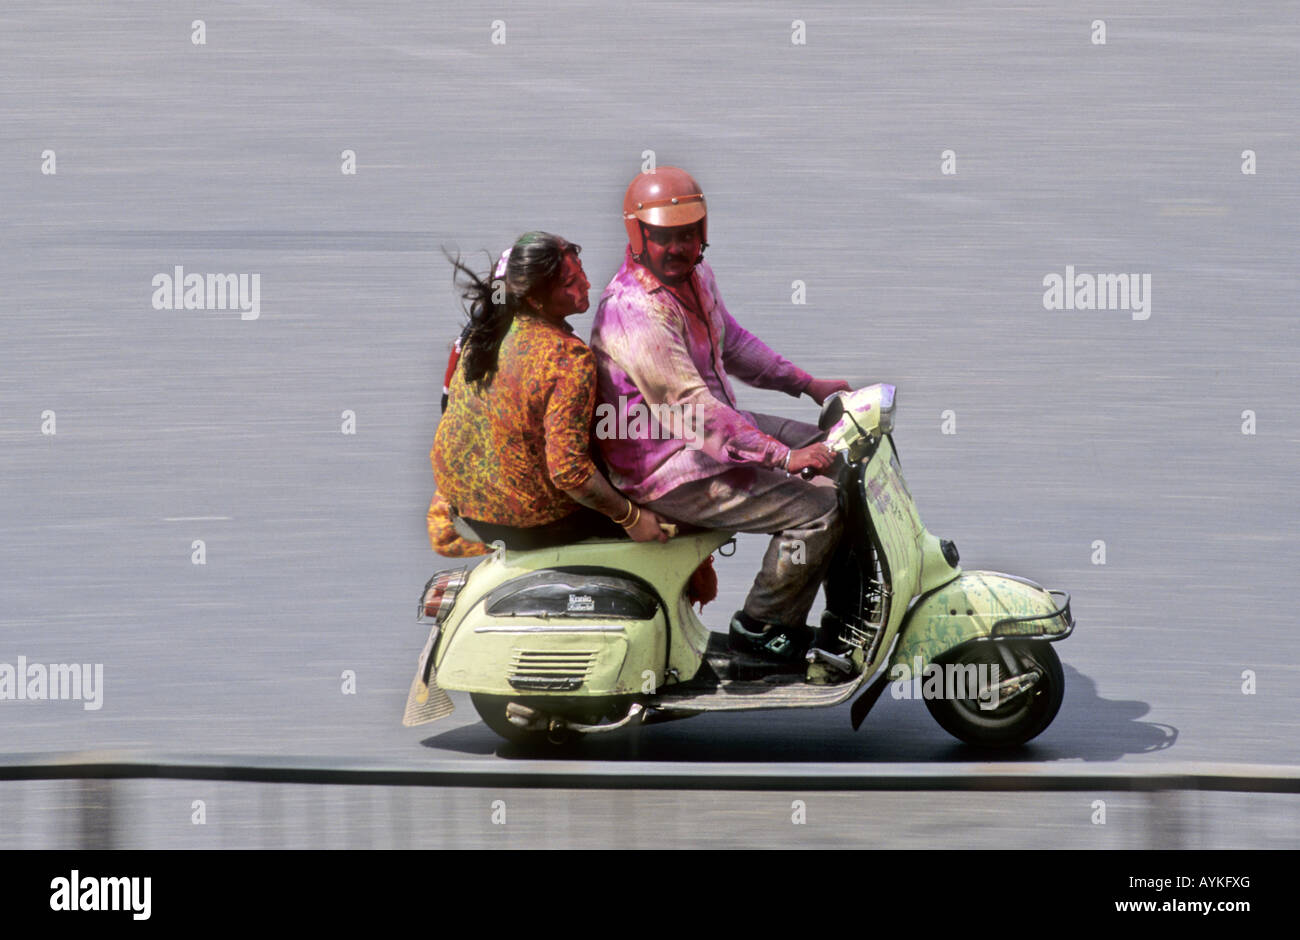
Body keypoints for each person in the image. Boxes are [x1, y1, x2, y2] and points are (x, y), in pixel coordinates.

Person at [589, 168, 852, 665]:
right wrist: (783, 456)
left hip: (712, 431)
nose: (679, 248)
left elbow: (731, 341)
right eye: (664, 238)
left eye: (688, 234)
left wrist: (806, 384)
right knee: (818, 509)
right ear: (637, 236)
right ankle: (763, 630)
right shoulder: (635, 310)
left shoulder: (695, 276)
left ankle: (845, 613)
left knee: (842, 453)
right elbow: (693, 410)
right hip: (666, 465)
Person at [427, 231, 670, 555]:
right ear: (535, 299)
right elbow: (569, 473)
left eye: (580, 271)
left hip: (465, 511)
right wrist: (631, 517)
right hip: (531, 523)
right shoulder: (567, 359)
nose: (583, 285)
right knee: (674, 507)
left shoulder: (480, 337)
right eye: (568, 283)